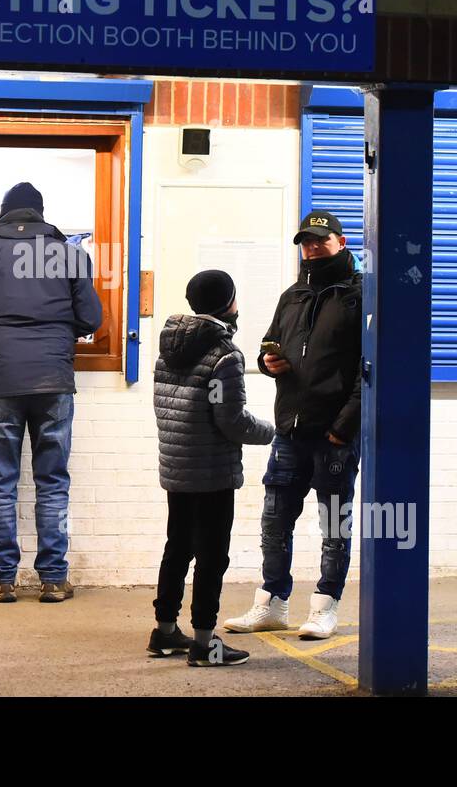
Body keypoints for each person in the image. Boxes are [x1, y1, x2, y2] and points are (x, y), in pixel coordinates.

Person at [0, 182, 102, 603]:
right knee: (53, 483)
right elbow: (91, 318)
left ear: (4, 214)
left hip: (1, 380)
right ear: (40, 213)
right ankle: (53, 579)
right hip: (54, 380)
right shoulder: (68, 253)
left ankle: (1, 580)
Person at [224, 209, 362, 641]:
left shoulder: (360, 295)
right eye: (306, 241)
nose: (312, 247)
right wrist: (269, 362)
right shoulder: (292, 296)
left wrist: (344, 426)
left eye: (321, 240)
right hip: (290, 429)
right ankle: (272, 604)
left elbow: (369, 369)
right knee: (275, 521)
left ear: (340, 242)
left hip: (333, 433)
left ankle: (325, 607)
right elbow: (271, 344)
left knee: (334, 525)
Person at [150, 270, 275, 666]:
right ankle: (205, 643)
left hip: (177, 466)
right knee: (211, 556)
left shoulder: (168, 346)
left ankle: (165, 632)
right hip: (212, 472)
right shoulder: (225, 355)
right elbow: (230, 420)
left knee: (178, 547)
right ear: (227, 303)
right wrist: (272, 431)